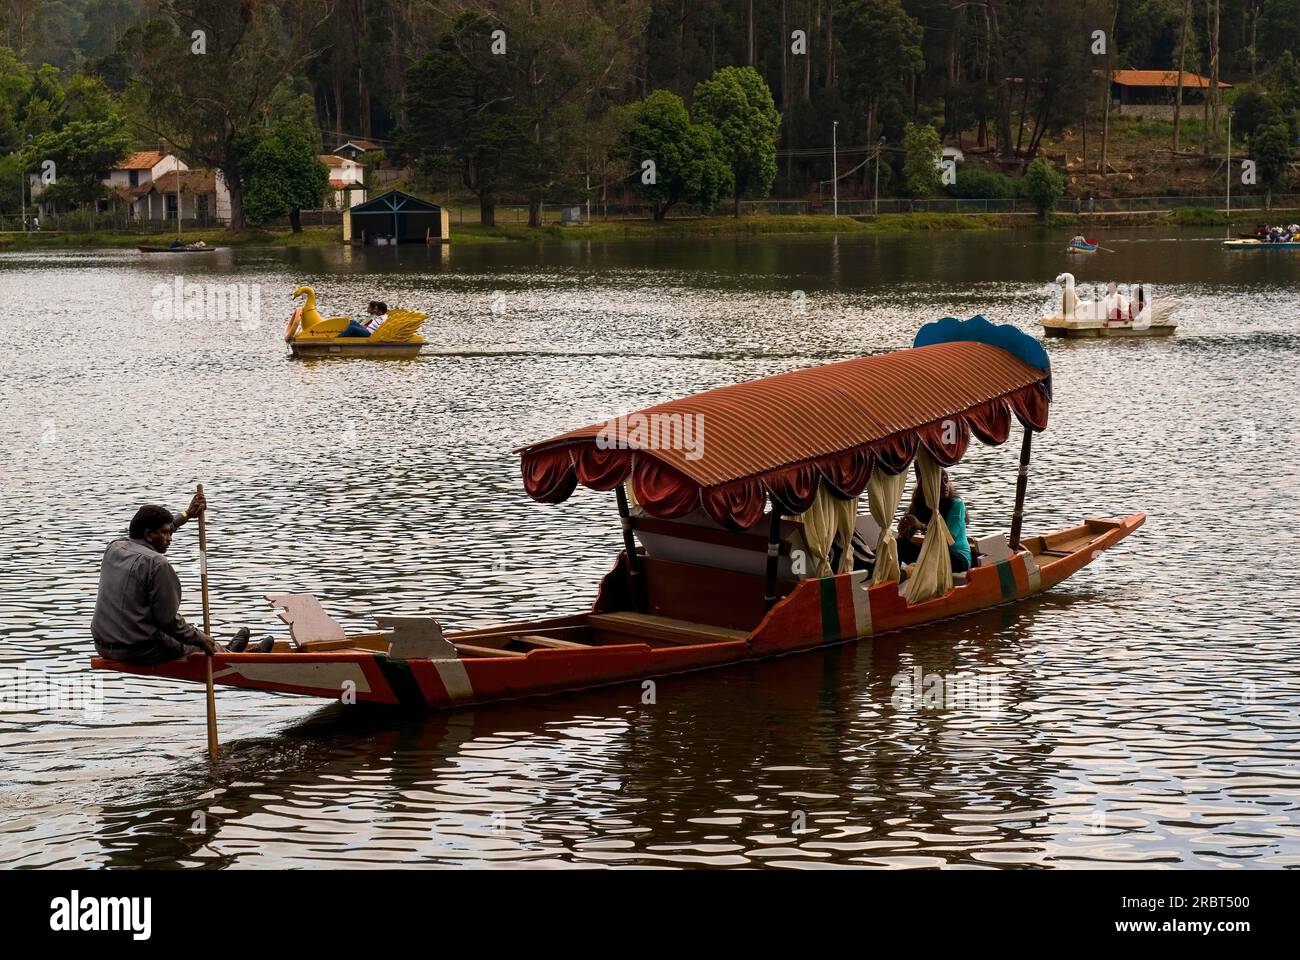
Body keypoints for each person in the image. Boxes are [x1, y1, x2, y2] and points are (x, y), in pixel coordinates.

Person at [92, 494, 274, 663]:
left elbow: (149, 534)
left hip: (103, 644)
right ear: (148, 535)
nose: (169, 538)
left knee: (196, 638)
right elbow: (169, 622)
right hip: (138, 649)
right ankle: (240, 659)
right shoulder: (157, 564)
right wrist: (200, 638)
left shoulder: (115, 547)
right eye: (165, 533)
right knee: (196, 642)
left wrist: (186, 515)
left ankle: (228, 650)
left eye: (169, 532)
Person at [896, 467, 971, 575]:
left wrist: (921, 526)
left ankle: (908, 575)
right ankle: (894, 581)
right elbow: (906, 537)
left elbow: (948, 540)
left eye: (946, 481)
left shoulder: (957, 504)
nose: (945, 486)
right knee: (899, 544)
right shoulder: (922, 504)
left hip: (958, 557)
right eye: (939, 483)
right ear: (928, 486)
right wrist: (905, 530)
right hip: (931, 553)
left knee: (938, 551)